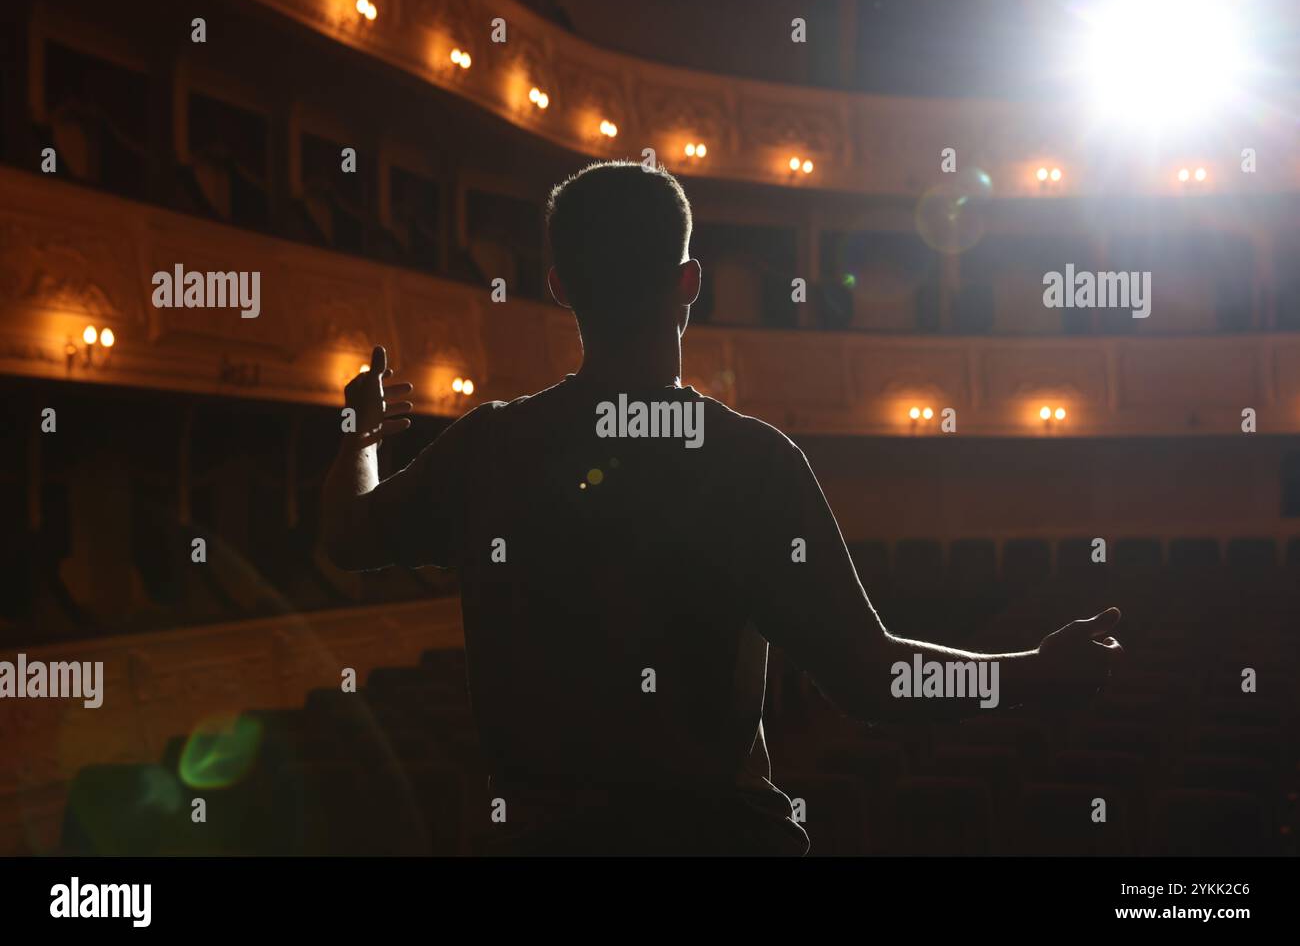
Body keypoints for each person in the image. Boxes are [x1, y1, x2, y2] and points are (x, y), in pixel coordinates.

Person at [321, 160, 1123, 855]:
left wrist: (359, 438)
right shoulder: (749, 461)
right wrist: (1038, 671)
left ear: (559, 285)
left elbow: (347, 538)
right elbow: (872, 679)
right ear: (688, 282)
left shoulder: (488, 447)